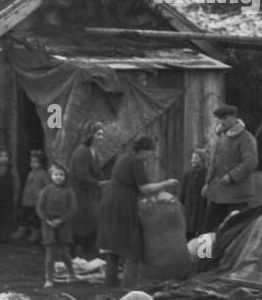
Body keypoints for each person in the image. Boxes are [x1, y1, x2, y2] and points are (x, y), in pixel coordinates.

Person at [97, 135, 178, 289]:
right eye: (149, 152)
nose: (150, 156)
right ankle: (128, 285)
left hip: (109, 201)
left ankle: (110, 281)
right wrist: (166, 184)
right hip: (122, 204)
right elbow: (144, 188)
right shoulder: (135, 162)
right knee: (132, 244)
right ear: (142, 150)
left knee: (114, 244)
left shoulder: (124, 158)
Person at [202, 104, 259, 233]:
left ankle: (230, 254)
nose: (222, 121)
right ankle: (204, 254)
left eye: (225, 118)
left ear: (234, 118)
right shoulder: (220, 138)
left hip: (237, 196)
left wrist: (231, 176)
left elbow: (250, 163)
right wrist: (207, 183)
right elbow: (213, 163)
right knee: (208, 230)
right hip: (217, 194)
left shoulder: (246, 138)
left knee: (235, 232)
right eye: (219, 118)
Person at [36, 162, 79, 288]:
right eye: (55, 174)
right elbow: (40, 208)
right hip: (48, 224)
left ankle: (71, 273)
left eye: (61, 174)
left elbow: (73, 209)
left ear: (65, 176)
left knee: (65, 252)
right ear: (51, 176)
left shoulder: (69, 191)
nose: (58, 177)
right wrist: (46, 219)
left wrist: (61, 220)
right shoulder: (46, 190)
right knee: (50, 253)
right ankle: (49, 278)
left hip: (63, 224)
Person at [67, 122, 104, 258]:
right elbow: (81, 176)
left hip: (89, 193)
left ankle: (87, 252)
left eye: (102, 134)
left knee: (92, 220)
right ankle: (75, 253)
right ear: (91, 135)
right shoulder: (82, 151)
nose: (101, 137)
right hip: (80, 193)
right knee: (80, 221)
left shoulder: (93, 151)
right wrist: (98, 183)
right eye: (98, 134)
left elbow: (97, 171)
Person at [17, 149, 49, 243]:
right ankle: (22, 230)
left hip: (37, 200)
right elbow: (27, 185)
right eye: (31, 162)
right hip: (28, 199)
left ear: (41, 164)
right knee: (25, 215)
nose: (32, 164)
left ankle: (35, 233)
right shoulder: (30, 173)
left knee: (35, 218)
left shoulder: (43, 173)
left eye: (35, 162)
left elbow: (48, 186)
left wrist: (41, 193)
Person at [180, 148, 210, 238]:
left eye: (196, 158)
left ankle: (203, 252)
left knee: (202, 237)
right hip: (188, 212)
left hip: (201, 212)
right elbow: (182, 194)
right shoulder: (187, 175)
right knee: (188, 237)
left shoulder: (207, 175)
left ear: (203, 160)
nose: (192, 160)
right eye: (192, 158)